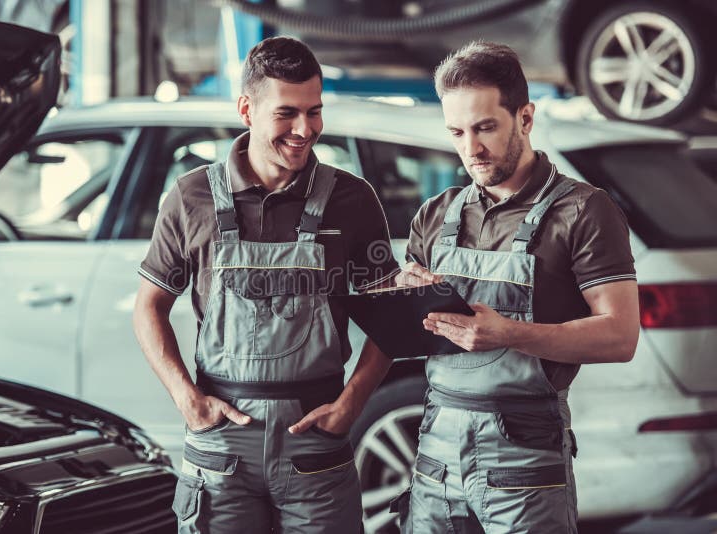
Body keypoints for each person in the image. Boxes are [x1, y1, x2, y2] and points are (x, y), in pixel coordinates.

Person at [132, 36, 399, 533]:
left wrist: (353, 402)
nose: (305, 129)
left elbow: (393, 312)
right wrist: (186, 398)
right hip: (221, 444)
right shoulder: (191, 197)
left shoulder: (352, 199)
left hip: (315, 439)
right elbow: (149, 306)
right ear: (246, 109)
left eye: (315, 111)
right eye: (287, 113)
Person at [391, 41, 640, 533]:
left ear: (525, 118)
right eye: (457, 132)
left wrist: (509, 333)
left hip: (525, 458)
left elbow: (620, 336)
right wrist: (400, 293)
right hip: (436, 450)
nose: (471, 149)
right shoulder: (435, 214)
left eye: (485, 127)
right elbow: (408, 332)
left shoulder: (585, 211)